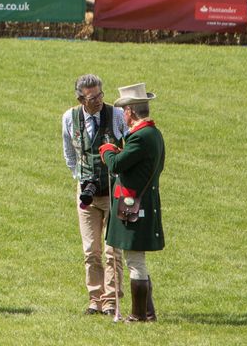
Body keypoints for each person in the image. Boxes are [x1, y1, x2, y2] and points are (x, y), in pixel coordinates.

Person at [62, 74, 127, 316]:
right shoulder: (69, 118)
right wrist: (80, 178)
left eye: (101, 94)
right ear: (81, 99)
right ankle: (94, 300)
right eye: (93, 97)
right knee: (91, 251)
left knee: (113, 250)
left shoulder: (117, 115)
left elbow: (127, 146)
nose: (99, 100)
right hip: (86, 195)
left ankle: (111, 301)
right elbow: (69, 153)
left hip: (113, 191)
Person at [98, 84, 165, 323]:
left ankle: (139, 315)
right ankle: (147, 312)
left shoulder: (141, 137)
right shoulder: (152, 134)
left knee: (135, 261)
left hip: (135, 208)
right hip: (141, 205)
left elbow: (116, 164)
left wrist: (107, 150)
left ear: (131, 112)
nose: (123, 115)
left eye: (124, 110)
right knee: (136, 261)